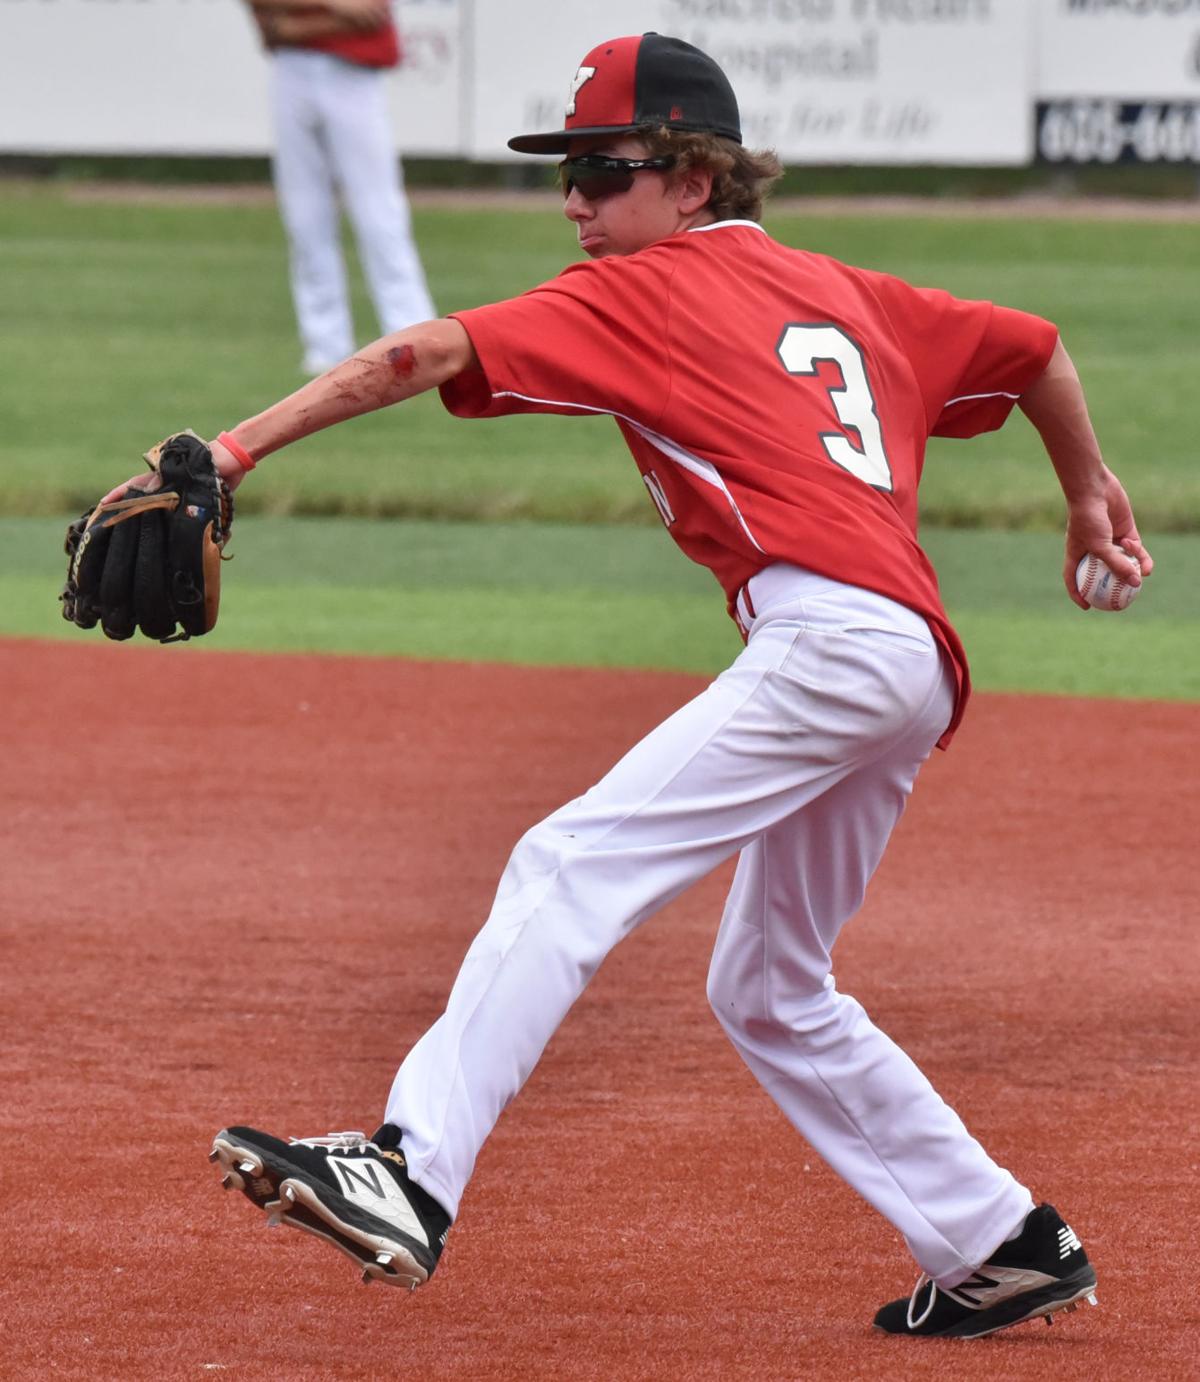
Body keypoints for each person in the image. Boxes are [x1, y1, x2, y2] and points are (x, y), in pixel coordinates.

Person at [114, 33, 1150, 1336]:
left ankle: (408, 1169)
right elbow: (1033, 347)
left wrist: (238, 446)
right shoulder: (848, 292)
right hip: (907, 657)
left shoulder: (645, 291)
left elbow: (418, 356)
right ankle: (1001, 1238)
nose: (577, 204)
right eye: (570, 174)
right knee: (770, 982)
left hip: (828, 643)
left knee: (566, 864)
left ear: (692, 180)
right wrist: (1087, 491)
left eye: (605, 172)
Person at [245, 0, 435, 374]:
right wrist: (333, 7)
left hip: (354, 73)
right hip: (291, 68)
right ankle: (324, 345)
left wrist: (294, 24)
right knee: (304, 214)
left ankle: (412, 333)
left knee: (378, 212)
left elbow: (371, 12)